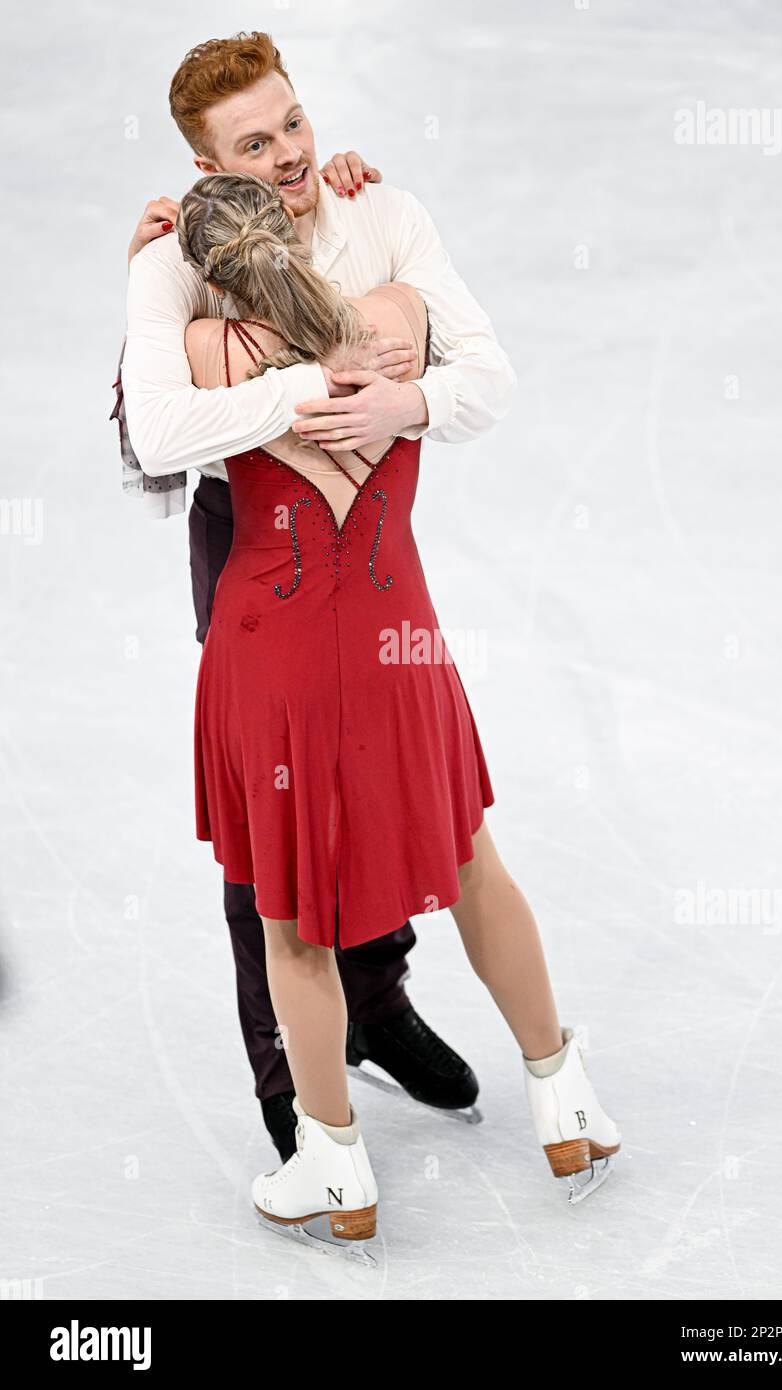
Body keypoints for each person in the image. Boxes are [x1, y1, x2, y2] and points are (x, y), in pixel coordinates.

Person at [173, 164, 621, 1258]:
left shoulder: (212, 350)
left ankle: (335, 1170)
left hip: (271, 655)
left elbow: (171, 389)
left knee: (289, 919)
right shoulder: (397, 319)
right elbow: (441, 346)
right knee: (471, 861)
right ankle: (562, 1100)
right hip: (394, 637)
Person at [113, 30, 521, 1162]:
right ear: (206, 167)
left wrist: (400, 400)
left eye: (292, 122)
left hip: (368, 551)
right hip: (249, 548)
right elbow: (153, 449)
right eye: (254, 141)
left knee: (373, 770)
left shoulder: (364, 208)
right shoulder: (178, 258)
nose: (291, 152)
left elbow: (479, 379)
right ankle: (284, 1070)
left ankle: (375, 1001)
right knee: (276, 821)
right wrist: (310, 385)